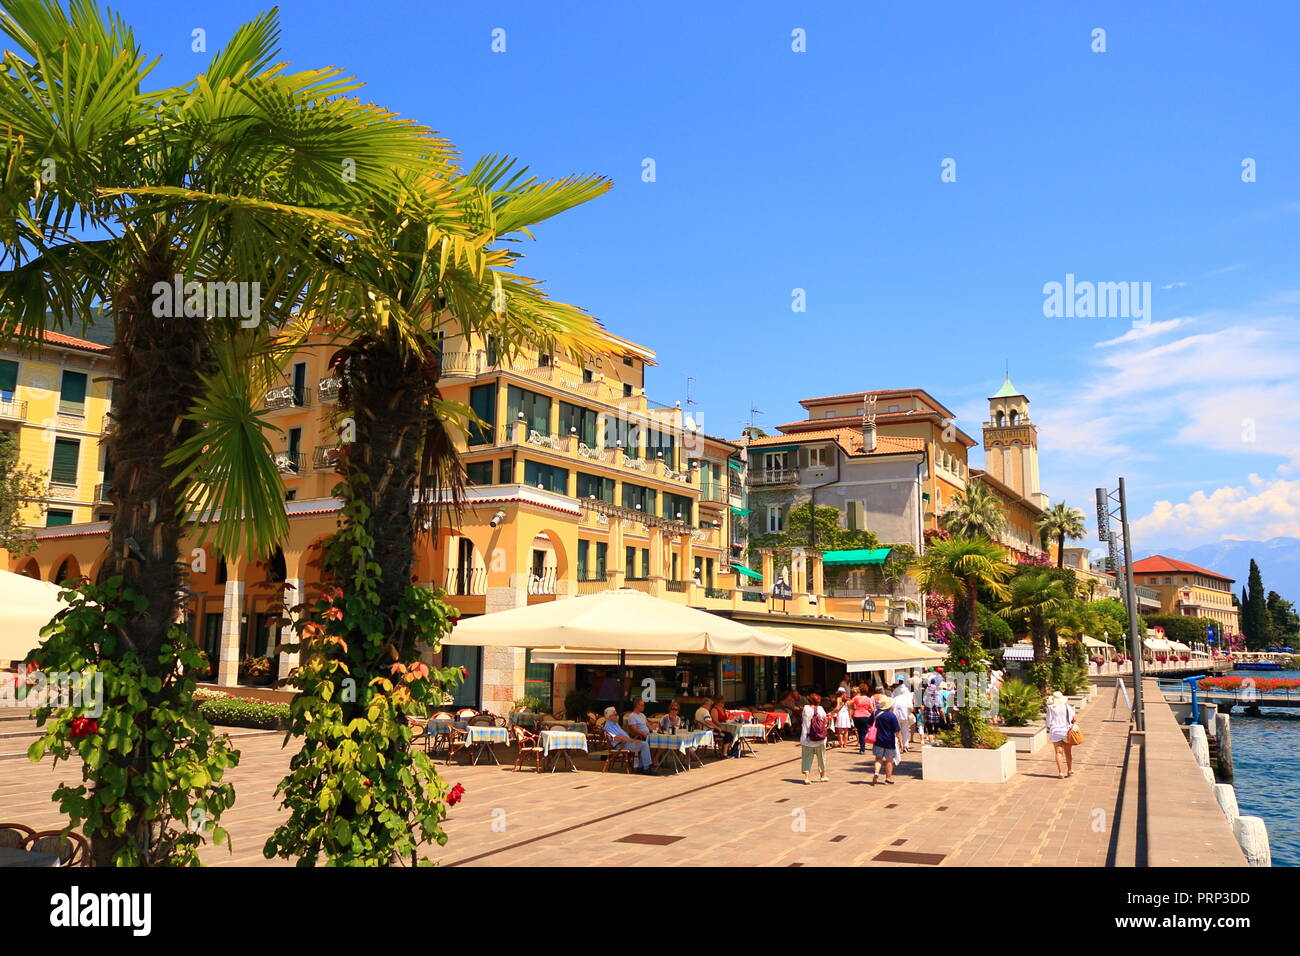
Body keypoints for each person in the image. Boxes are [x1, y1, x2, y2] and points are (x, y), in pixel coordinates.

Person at [603, 706, 654, 774]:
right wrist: (633, 740)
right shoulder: (609, 726)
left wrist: (632, 740)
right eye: (615, 714)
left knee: (644, 743)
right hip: (621, 745)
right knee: (644, 745)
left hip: (625, 743)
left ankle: (641, 767)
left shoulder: (614, 724)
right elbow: (619, 737)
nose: (617, 716)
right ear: (609, 717)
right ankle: (646, 769)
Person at [1045, 691, 1078, 778]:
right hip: (1066, 731)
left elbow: (1048, 722)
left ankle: (1061, 772)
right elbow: (1074, 718)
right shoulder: (1067, 707)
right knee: (1068, 752)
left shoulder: (1050, 708)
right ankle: (1070, 770)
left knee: (1058, 752)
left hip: (1055, 731)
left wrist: (1050, 727)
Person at [870, 702, 903, 784]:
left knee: (878, 758)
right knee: (889, 760)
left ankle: (876, 772)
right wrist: (901, 741)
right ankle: (888, 778)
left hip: (878, 739)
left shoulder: (875, 713)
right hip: (889, 740)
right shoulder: (891, 716)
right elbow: (897, 730)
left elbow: (869, 723)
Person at [800, 692, 829, 784]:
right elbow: (825, 721)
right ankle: (822, 776)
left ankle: (807, 777)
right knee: (821, 757)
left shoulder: (805, 708)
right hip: (820, 739)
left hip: (806, 738)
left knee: (806, 758)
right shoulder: (820, 709)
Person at [849, 686, 877, 754]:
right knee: (864, 732)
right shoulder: (868, 699)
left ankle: (862, 748)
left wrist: (853, 709)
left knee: (859, 732)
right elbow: (872, 709)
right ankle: (862, 748)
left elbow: (849, 703)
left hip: (856, 716)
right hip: (865, 717)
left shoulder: (856, 698)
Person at [892, 679, 914, 753]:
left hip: (895, 717)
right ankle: (905, 746)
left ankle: (895, 746)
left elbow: (891, 708)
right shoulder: (907, 699)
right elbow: (911, 708)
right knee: (905, 731)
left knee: (896, 731)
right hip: (905, 717)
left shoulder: (894, 699)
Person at [921, 674, 943, 744]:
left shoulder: (926, 692)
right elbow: (939, 705)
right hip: (935, 713)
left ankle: (931, 743)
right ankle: (935, 743)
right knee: (936, 731)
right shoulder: (937, 693)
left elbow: (923, 704)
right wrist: (943, 716)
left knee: (929, 730)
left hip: (927, 713)